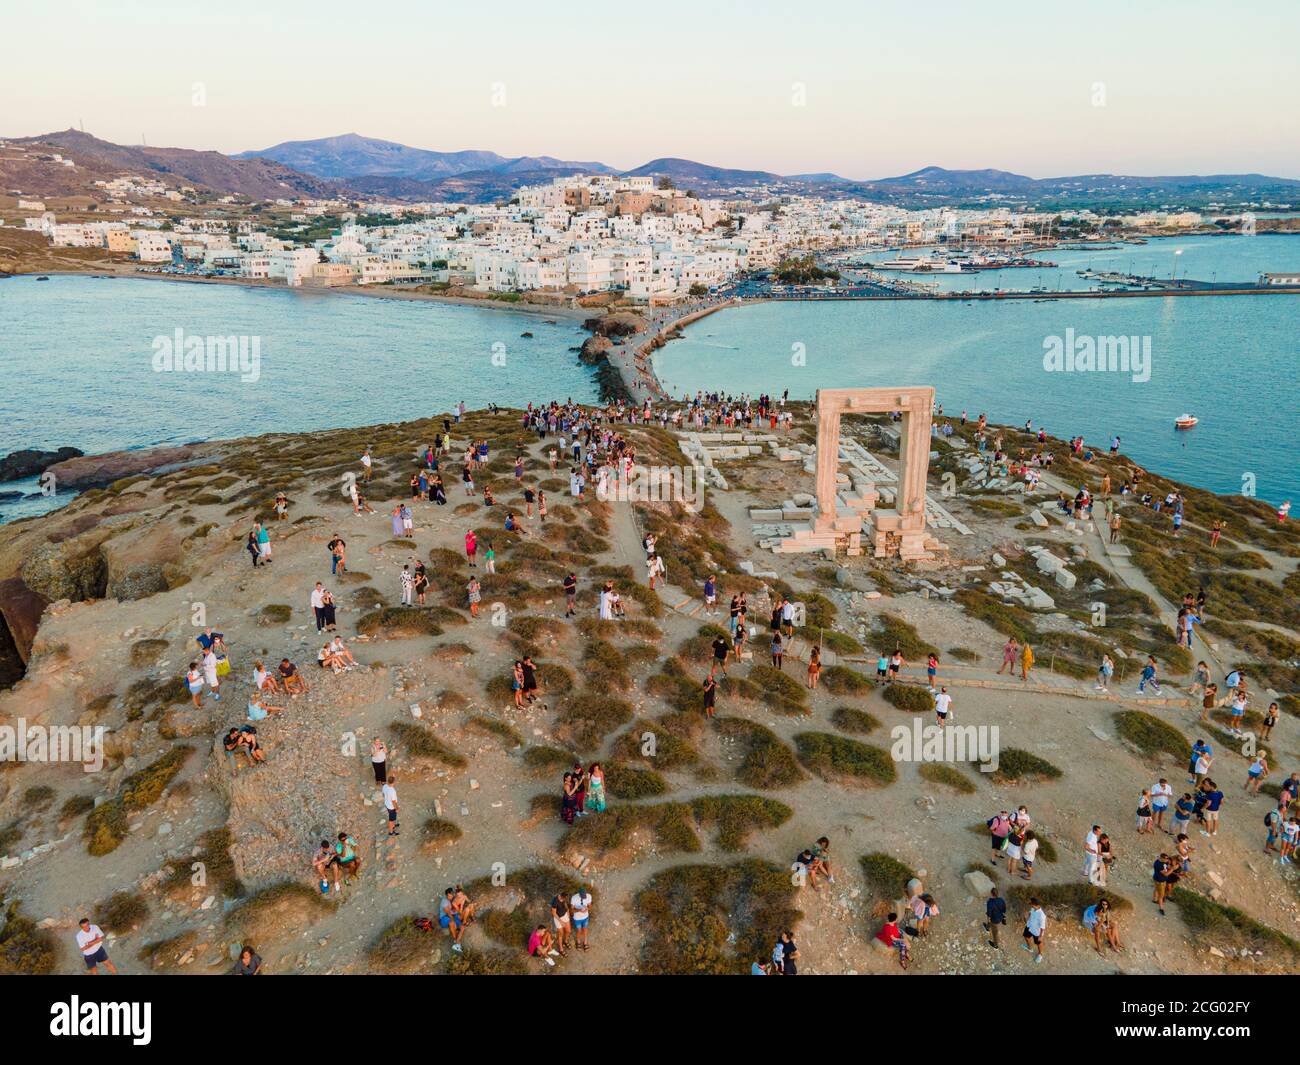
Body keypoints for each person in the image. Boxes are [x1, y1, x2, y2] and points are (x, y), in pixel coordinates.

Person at [439, 887, 465, 952]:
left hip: (452, 915)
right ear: (447, 895)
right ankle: (456, 942)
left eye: (452, 895)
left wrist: (455, 912)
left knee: (462, 927)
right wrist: (454, 922)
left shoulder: (450, 899)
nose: (452, 896)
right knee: (452, 923)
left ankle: (457, 942)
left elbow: (451, 911)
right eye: (450, 895)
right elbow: (448, 913)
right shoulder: (444, 902)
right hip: (444, 918)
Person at [571, 886, 593, 952]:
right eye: (582, 896)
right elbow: (571, 910)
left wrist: (587, 909)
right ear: (579, 894)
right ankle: (578, 941)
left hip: (585, 917)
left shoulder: (589, 896)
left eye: (585, 896)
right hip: (577, 918)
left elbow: (590, 906)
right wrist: (579, 910)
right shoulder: (574, 898)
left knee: (585, 929)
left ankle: (585, 942)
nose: (584, 897)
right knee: (579, 931)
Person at [551, 892, 572, 956]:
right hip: (558, 918)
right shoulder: (555, 901)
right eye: (564, 899)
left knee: (568, 931)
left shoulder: (565, 899)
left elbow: (567, 907)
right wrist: (561, 922)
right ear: (561, 897)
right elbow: (554, 913)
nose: (565, 900)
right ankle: (561, 949)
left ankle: (565, 941)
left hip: (565, 915)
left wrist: (568, 914)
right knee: (561, 934)